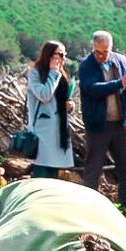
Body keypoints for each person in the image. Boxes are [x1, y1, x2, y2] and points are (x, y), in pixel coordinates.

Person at [78, 31, 126, 209]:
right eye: (98, 52)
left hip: (121, 123)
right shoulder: (86, 66)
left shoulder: (120, 61)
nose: (101, 55)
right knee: (93, 168)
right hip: (98, 125)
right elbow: (93, 89)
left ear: (111, 48)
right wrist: (121, 83)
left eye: (105, 52)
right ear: (93, 48)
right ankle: (89, 207)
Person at [24, 40, 75, 179]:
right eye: (61, 54)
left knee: (53, 172)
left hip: (59, 129)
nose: (64, 58)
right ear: (50, 55)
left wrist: (70, 104)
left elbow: (61, 99)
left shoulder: (61, 74)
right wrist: (53, 74)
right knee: (42, 171)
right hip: (43, 129)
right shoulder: (35, 73)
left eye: (65, 54)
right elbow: (44, 95)